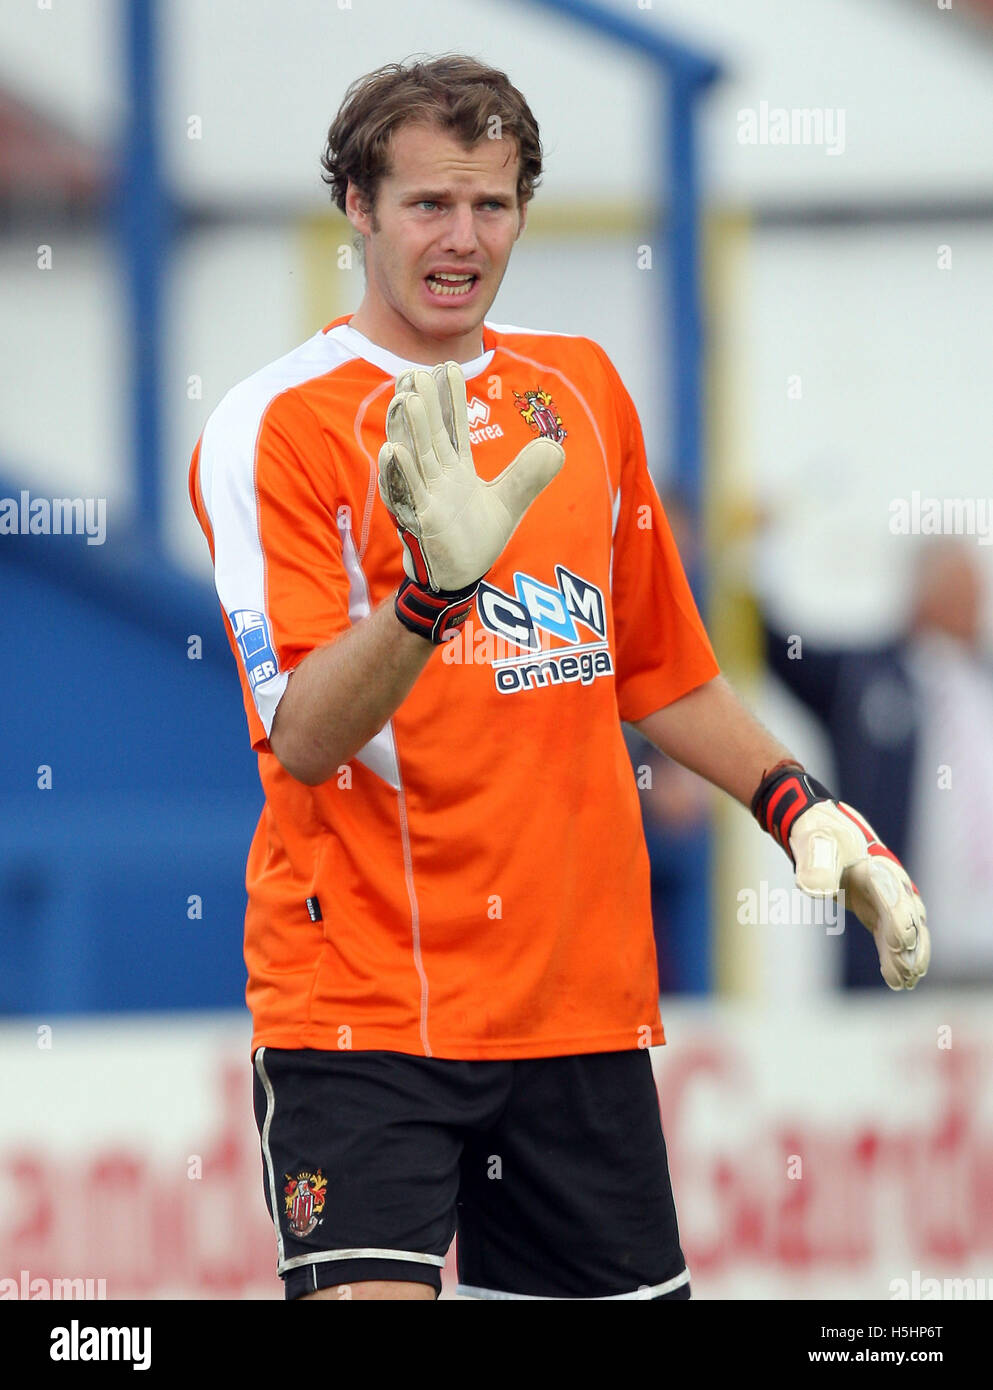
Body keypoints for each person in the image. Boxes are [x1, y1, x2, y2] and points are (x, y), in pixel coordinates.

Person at [188, 55, 929, 1302]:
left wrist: (805, 808)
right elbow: (303, 734)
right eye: (428, 203)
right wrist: (432, 593)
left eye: (493, 204)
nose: (462, 238)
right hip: (364, 1011)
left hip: (576, 1012)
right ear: (357, 209)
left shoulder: (580, 390)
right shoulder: (278, 423)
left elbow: (662, 668)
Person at [762, 537, 993, 987]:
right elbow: (780, 651)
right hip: (900, 954)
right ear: (924, 594)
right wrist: (756, 553)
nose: (972, 605)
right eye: (959, 590)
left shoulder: (983, 683)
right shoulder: (864, 676)